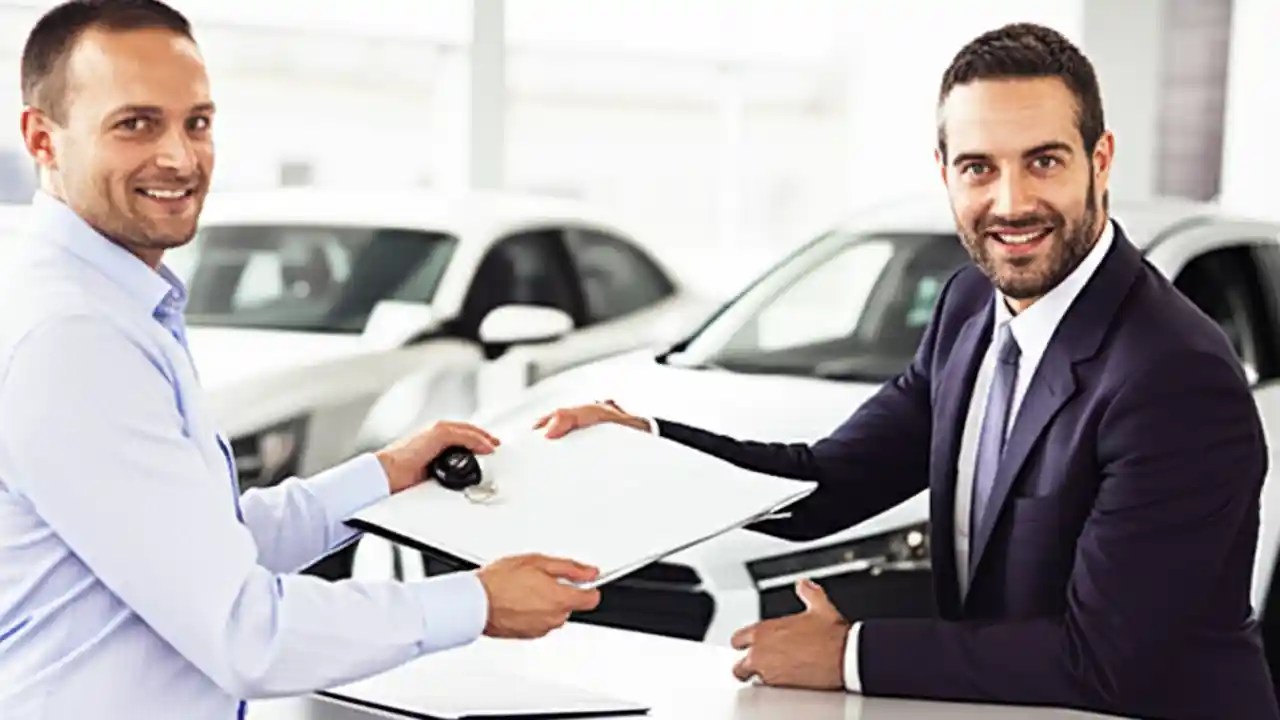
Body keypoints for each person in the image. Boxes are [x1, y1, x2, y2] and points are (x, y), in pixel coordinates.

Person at [534, 22, 1280, 720]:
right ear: (945, 172)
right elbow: (828, 479)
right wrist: (652, 444)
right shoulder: (968, 308)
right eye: (979, 167)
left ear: (1101, 160)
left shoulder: (1173, 375)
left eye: (1044, 161)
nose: (1011, 201)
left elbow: (1107, 659)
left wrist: (847, 655)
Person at [0, 2, 600, 718]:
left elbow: (202, 545)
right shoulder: (74, 337)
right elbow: (247, 633)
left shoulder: (105, 304)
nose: (180, 158)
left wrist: (383, 477)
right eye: (136, 124)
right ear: (42, 138)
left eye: (197, 122)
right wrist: (476, 602)